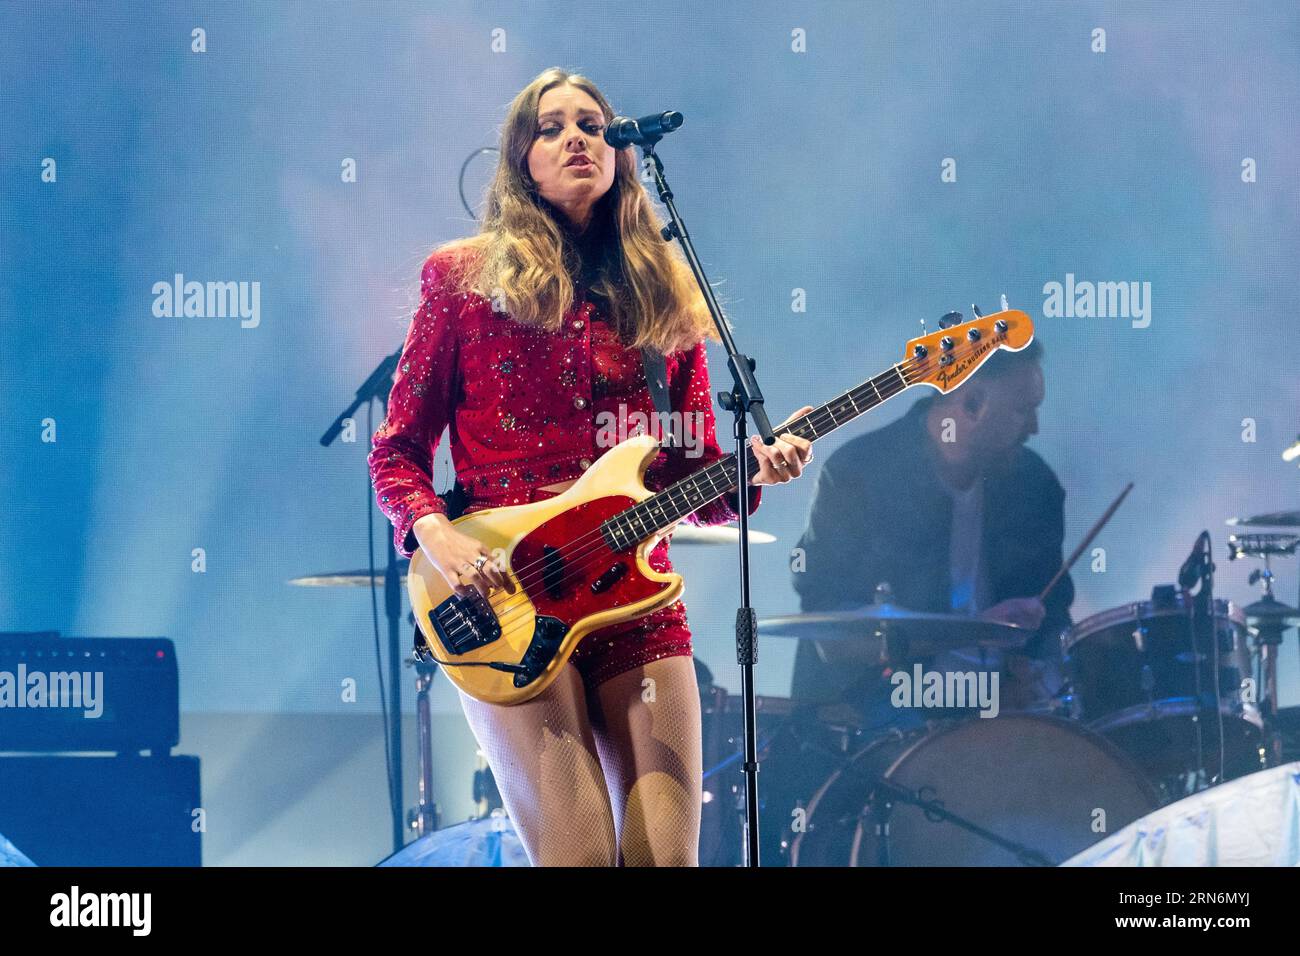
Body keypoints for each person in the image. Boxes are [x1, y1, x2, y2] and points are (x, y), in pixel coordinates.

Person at [369, 67, 812, 866]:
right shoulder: (462, 279)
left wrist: (750, 476)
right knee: (578, 856)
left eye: (593, 124)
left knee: (664, 860)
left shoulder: (663, 297)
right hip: (506, 592)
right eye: (552, 127)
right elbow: (397, 449)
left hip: (634, 597)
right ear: (521, 161)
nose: (578, 137)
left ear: (621, 155)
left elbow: (691, 482)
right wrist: (439, 538)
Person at [789, 338, 1073, 719]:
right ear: (973, 405)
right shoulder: (857, 474)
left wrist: (1037, 672)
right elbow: (827, 622)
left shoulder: (1034, 483)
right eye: (1024, 411)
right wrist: (971, 631)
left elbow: (1054, 618)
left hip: (1002, 708)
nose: (1035, 428)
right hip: (879, 710)